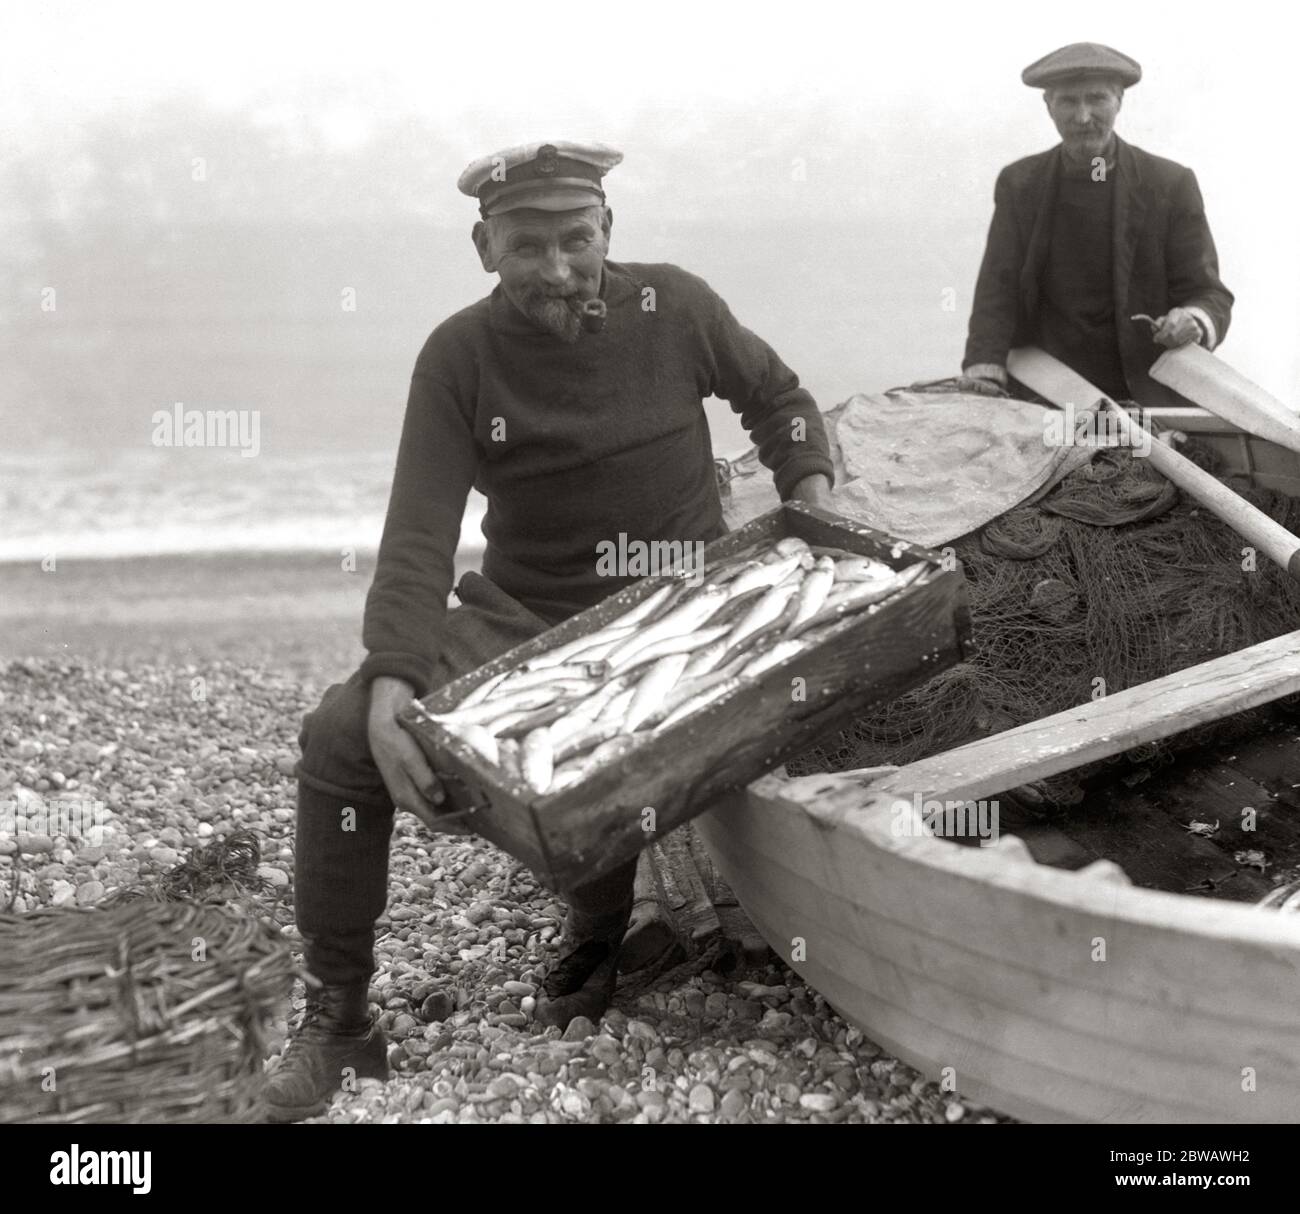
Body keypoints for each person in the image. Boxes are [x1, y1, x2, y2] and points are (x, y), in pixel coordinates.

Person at [262, 140, 836, 1121]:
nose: (559, 267)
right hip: (522, 615)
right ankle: (341, 1020)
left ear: (607, 231)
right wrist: (395, 674)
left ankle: (596, 921)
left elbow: (776, 399)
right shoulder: (458, 355)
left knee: (604, 750)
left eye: (577, 238)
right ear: (484, 247)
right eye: (529, 245)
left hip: (678, 610)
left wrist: (811, 493)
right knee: (338, 732)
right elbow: (416, 535)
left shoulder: (679, 307)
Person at [958, 42, 1233, 407]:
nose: (1083, 116)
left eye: (1097, 99)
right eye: (1069, 102)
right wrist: (985, 364)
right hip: (1045, 395)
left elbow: (1209, 294)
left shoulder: (1170, 183)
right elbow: (998, 286)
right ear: (1048, 106)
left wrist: (1194, 320)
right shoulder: (1019, 183)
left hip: (1147, 394)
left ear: (1119, 100)